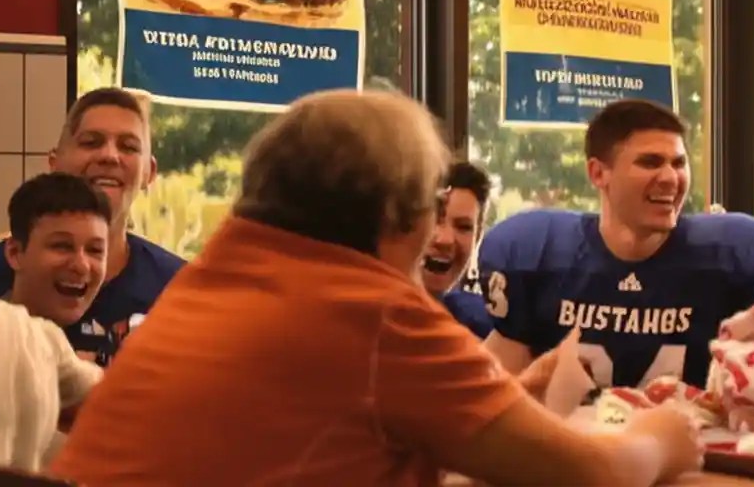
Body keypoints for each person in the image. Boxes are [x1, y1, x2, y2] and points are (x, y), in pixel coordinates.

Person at [51, 89, 701, 487]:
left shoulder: (211, 282)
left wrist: (509, 397)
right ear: (398, 215)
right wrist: (668, 433)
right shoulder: (372, 311)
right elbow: (595, 475)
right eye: (432, 206)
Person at [479, 98, 754, 389]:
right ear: (598, 173)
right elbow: (497, 400)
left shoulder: (732, 254)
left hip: (690, 440)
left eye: (678, 163)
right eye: (650, 162)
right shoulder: (538, 253)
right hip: (572, 441)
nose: (669, 177)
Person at [0, 87, 185, 365]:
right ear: (54, 162)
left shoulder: (177, 290)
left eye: (128, 147)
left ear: (149, 173)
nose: (109, 156)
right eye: (91, 142)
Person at [0, 173, 108, 471]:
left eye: (95, 250)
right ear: (16, 253)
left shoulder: (52, 348)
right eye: (61, 246)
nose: (81, 265)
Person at [424, 160, 494, 338]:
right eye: (434, 220)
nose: (445, 240)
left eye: (463, 227)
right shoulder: (360, 316)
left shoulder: (486, 327)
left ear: (477, 238)